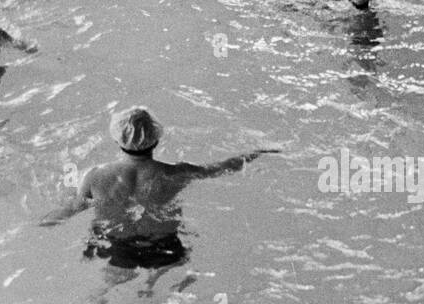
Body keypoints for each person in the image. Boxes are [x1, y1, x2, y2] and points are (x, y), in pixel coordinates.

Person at [39, 106, 280, 267]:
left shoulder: (94, 176)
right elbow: (222, 167)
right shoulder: (176, 173)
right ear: (156, 138)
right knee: (164, 285)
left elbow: (72, 208)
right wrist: (258, 152)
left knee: (105, 294)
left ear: (116, 139)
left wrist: (41, 223)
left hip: (118, 244)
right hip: (163, 243)